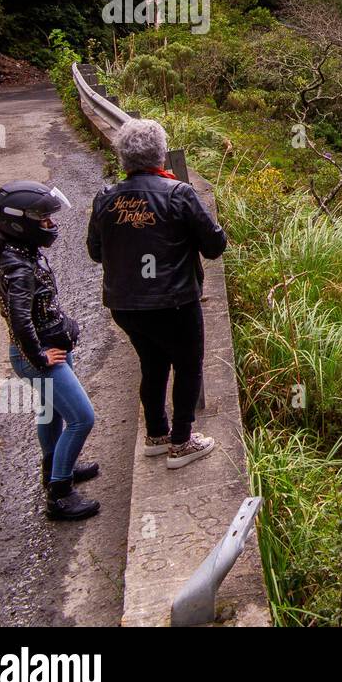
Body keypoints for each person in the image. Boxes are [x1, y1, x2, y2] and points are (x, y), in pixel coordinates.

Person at [87, 119, 227, 470]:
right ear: (161, 154)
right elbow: (214, 245)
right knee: (188, 365)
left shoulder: (106, 198)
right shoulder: (179, 194)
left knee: (152, 365)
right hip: (174, 301)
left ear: (123, 157)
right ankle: (181, 441)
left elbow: (95, 250)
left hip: (126, 304)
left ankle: (156, 434)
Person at [0, 180, 100, 521]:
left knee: (50, 413)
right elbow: (21, 319)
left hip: (47, 348)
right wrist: (38, 357)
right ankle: (60, 493)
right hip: (39, 355)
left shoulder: (18, 251)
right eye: (42, 218)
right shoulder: (18, 266)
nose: (50, 224)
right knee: (82, 418)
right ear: (18, 221)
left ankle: (56, 465)